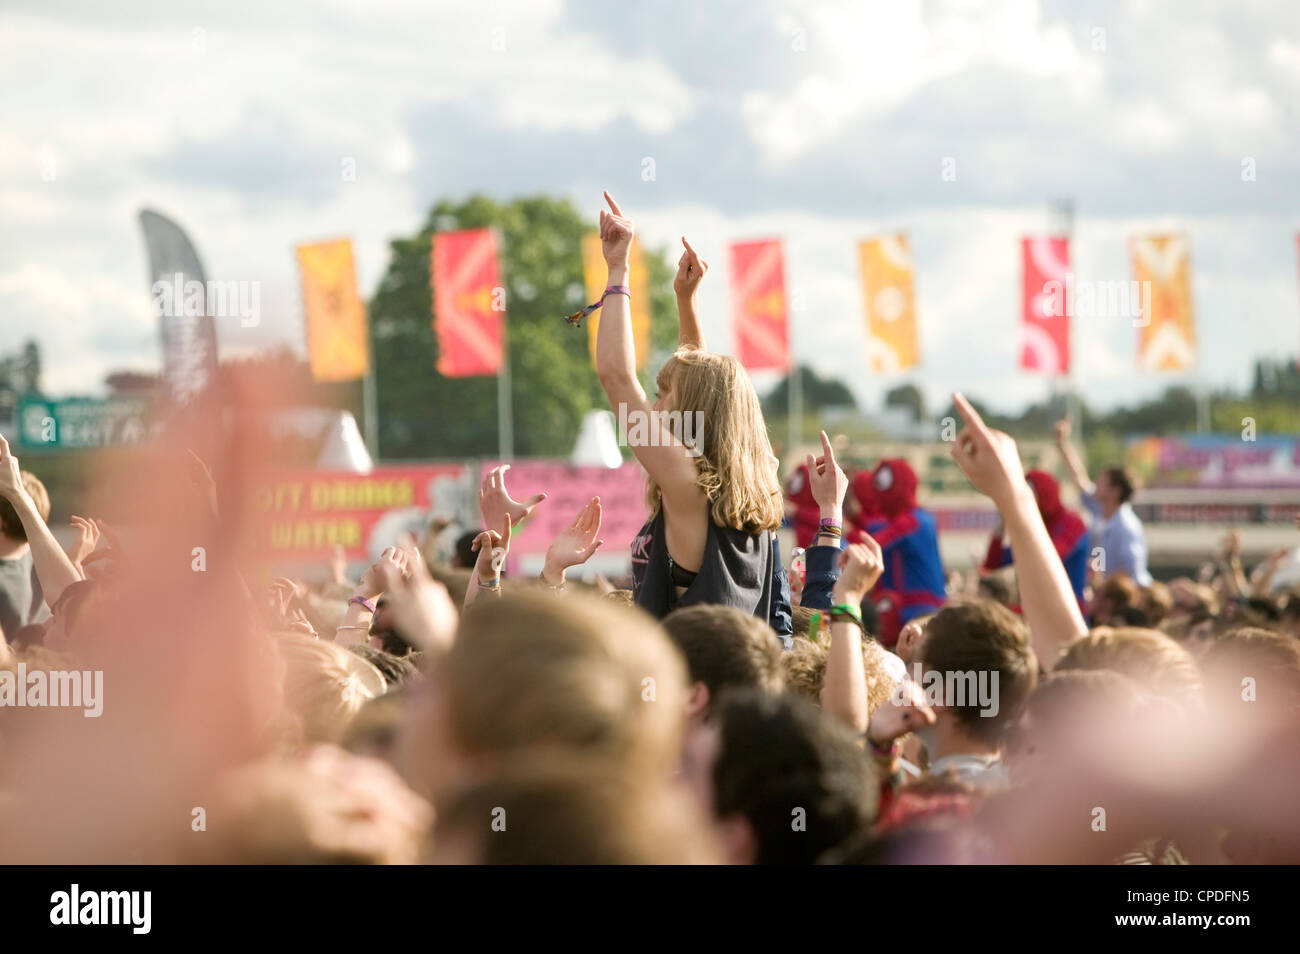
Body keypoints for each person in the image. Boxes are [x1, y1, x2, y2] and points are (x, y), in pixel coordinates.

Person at [592, 193, 791, 639]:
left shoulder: (689, 488)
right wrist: (686, 301)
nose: (655, 406)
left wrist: (618, 268)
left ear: (693, 412)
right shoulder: (747, 494)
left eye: (664, 395)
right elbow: (702, 385)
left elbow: (616, 377)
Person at [848, 457, 946, 646]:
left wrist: (838, 531)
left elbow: (878, 542)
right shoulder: (918, 518)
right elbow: (875, 526)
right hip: (914, 607)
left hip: (920, 610)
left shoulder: (912, 520)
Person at [1054, 417, 1151, 585]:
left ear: (1115, 492)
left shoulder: (1127, 528)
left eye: (1100, 482)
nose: (1094, 485)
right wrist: (1062, 444)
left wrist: (1101, 584)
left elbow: (1131, 571)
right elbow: (1079, 478)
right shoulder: (1100, 508)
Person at [981, 469, 1088, 608]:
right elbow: (992, 565)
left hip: (1070, 609)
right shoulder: (1033, 526)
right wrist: (1003, 520)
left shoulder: (1072, 523)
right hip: (1040, 610)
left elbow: (1047, 559)